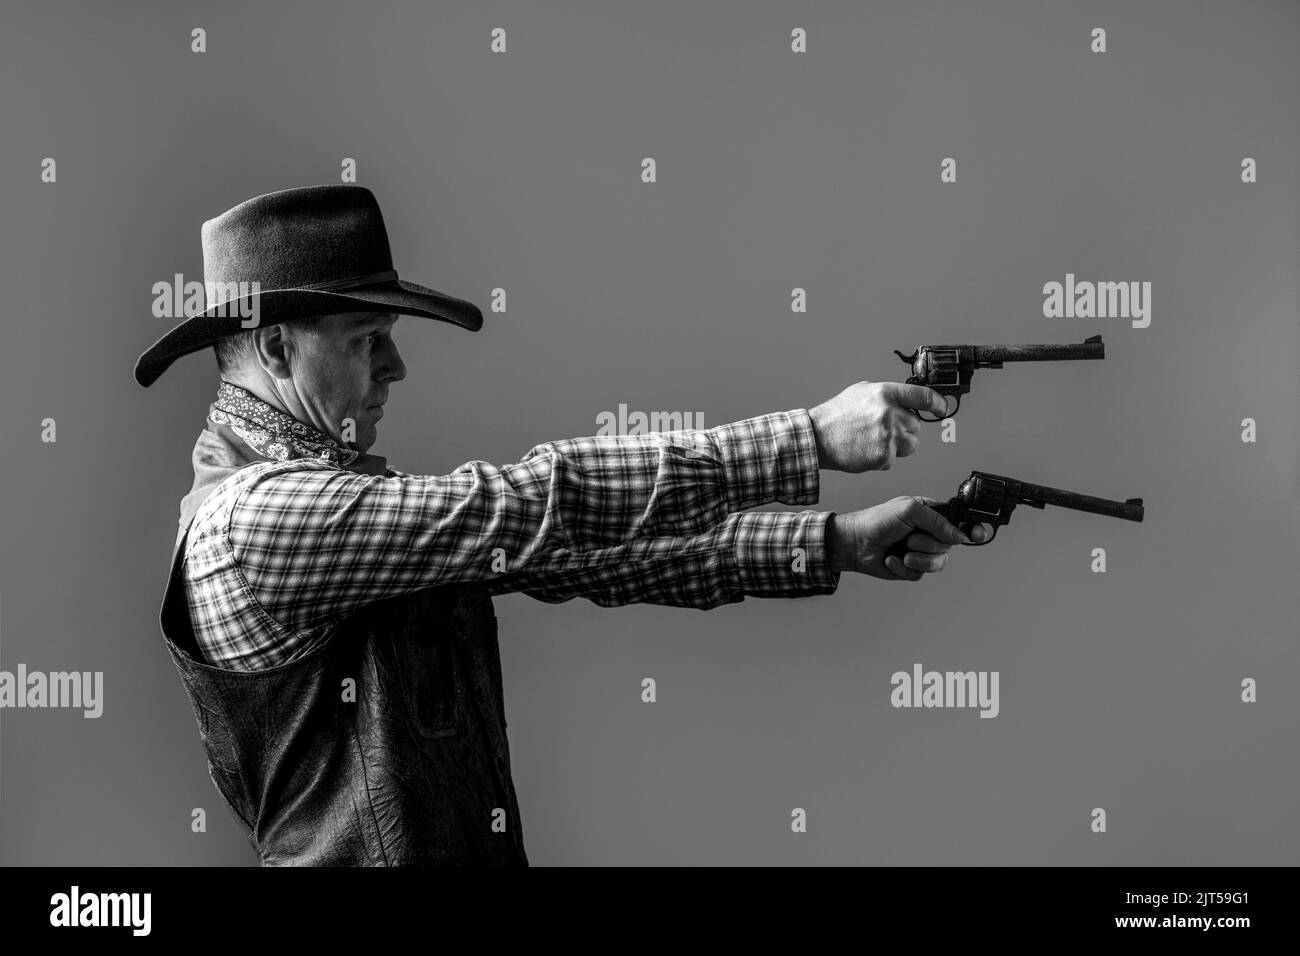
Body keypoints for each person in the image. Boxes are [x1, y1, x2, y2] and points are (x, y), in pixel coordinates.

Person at [135, 184, 989, 865]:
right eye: (368, 338)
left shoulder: (340, 503)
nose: (397, 366)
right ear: (279, 350)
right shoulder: (260, 524)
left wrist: (832, 541)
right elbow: (534, 501)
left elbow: (589, 556)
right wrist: (805, 439)